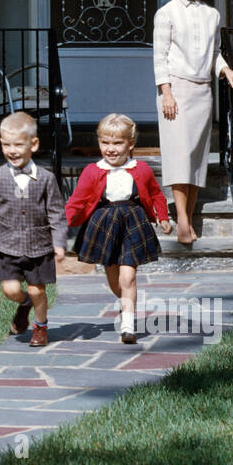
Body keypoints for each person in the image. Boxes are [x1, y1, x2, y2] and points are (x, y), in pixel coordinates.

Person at [153, 0, 233, 244]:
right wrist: (166, 92)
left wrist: (226, 69)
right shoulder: (166, 13)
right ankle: (181, 220)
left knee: (194, 158)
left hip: (203, 91)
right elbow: (159, 57)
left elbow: (214, 52)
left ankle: (187, 217)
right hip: (175, 91)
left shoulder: (212, 15)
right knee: (179, 155)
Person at [65, 114, 172, 343]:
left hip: (133, 221)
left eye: (117, 143)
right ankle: (126, 305)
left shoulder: (141, 169)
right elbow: (77, 200)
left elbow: (155, 193)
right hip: (105, 224)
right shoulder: (92, 171)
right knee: (114, 278)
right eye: (105, 143)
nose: (110, 149)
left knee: (128, 277)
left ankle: (128, 325)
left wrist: (162, 217)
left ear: (130, 144)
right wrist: (61, 224)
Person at [0, 111, 67, 348]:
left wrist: (59, 242)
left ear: (33, 144)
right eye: (6, 145)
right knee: (11, 289)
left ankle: (41, 326)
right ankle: (23, 304)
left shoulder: (46, 178)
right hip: (7, 244)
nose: (12, 150)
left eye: (18, 144)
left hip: (39, 245)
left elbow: (56, 211)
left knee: (37, 290)